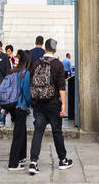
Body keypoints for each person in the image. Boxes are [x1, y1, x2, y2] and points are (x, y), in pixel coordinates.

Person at [28, 38, 72, 174]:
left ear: (45, 49)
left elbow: (31, 82)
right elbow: (61, 86)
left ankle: (33, 162)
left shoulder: (36, 63)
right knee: (56, 131)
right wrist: (63, 104)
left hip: (39, 103)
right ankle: (63, 160)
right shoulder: (58, 64)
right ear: (55, 50)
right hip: (53, 103)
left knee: (38, 131)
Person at [7, 50, 33, 169]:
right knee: (18, 134)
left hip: (12, 106)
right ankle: (13, 163)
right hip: (21, 106)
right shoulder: (25, 73)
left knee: (21, 132)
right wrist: (31, 104)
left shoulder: (14, 72)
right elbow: (26, 92)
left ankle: (21, 157)